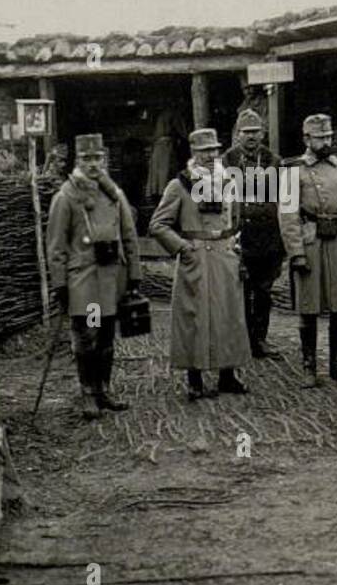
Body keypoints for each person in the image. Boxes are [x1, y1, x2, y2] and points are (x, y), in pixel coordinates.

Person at [149, 127, 251, 400]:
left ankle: (227, 376)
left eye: (215, 150)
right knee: (195, 317)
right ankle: (194, 379)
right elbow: (158, 225)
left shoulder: (228, 181)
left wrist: (236, 243)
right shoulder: (180, 185)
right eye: (205, 150)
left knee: (229, 316)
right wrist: (183, 247)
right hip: (196, 258)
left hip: (225, 257)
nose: (211, 155)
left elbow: (237, 218)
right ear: (193, 153)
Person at [46, 133, 142, 420]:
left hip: (112, 279)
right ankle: (88, 393)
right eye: (87, 159)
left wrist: (134, 274)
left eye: (98, 158)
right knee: (87, 335)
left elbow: (129, 235)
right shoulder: (66, 196)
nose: (93, 164)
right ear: (78, 161)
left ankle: (104, 390)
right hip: (85, 281)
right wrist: (60, 283)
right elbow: (56, 245)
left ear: (105, 160)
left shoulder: (115, 194)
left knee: (106, 336)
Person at [279, 113, 337, 387]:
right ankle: (309, 366)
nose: (327, 141)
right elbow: (287, 215)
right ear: (307, 138)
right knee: (309, 307)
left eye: (329, 136)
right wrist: (296, 252)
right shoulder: (292, 170)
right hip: (311, 242)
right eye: (321, 137)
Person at [222, 108, 286, 359]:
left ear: (263, 133)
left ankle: (259, 340)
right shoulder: (226, 162)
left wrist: (285, 241)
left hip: (268, 237)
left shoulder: (275, 161)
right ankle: (240, 339)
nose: (251, 137)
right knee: (239, 291)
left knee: (263, 291)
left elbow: (287, 201)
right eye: (245, 132)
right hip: (238, 237)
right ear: (237, 135)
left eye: (255, 132)